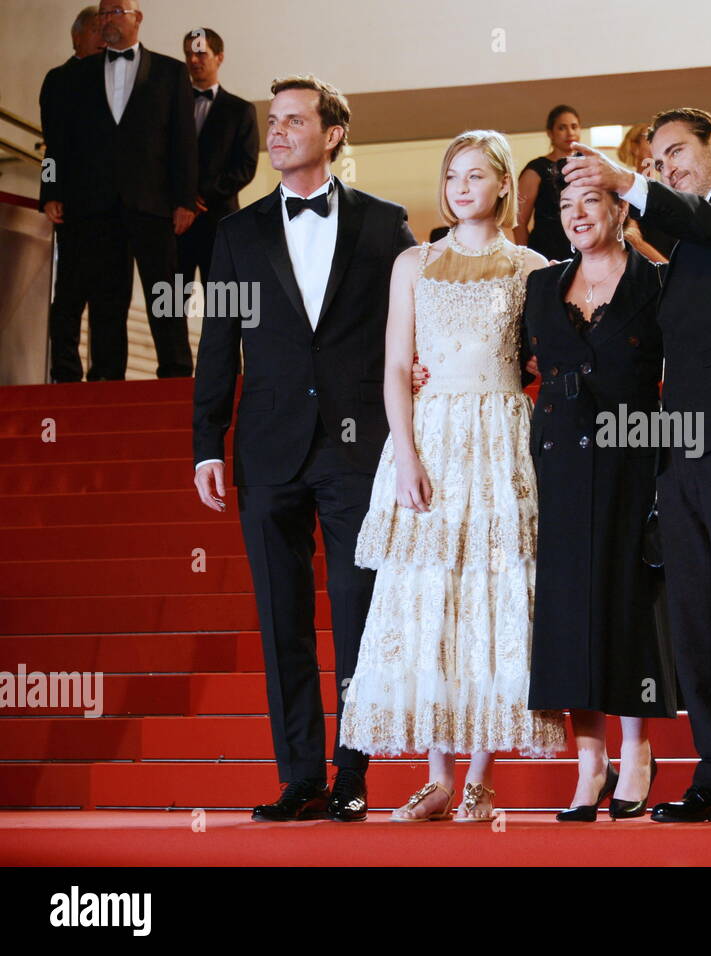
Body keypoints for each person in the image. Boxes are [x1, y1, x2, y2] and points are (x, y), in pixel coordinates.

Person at [563, 107, 711, 825]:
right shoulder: (686, 243)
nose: (667, 166)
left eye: (676, 152)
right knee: (697, 619)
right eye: (657, 159)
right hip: (684, 445)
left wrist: (626, 179)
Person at [192, 74, 417, 823]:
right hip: (267, 451)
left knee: (358, 619)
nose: (276, 131)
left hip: (360, 452)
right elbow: (218, 347)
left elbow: (417, 319)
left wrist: (424, 373)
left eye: (293, 120)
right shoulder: (237, 233)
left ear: (334, 134)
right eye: (271, 120)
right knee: (280, 618)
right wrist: (206, 445)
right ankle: (299, 777)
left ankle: (352, 777)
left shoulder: (386, 226)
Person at [338, 130, 566, 822]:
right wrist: (405, 453)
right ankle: (437, 778)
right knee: (429, 595)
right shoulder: (414, 262)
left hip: (500, 438)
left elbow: (549, 360)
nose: (462, 187)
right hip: (430, 439)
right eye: (452, 176)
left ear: (503, 185)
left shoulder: (534, 266)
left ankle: (479, 777)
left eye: (476, 176)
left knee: (496, 597)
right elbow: (393, 367)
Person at [523, 159, 673, 821]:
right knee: (567, 614)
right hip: (555, 465)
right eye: (565, 207)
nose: (578, 215)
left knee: (630, 604)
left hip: (633, 460)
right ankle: (590, 763)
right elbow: (513, 365)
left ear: (619, 208)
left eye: (591, 201)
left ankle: (637, 753)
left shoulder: (657, 283)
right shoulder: (540, 285)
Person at [42, 0, 198, 380]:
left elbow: (184, 142)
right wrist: (50, 191)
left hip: (153, 203)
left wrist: (184, 199)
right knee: (106, 300)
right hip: (96, 205)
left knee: (164, 294)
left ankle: (176, 373)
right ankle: (106, 377)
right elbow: (58, 143)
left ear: (137, 18)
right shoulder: (75, 77)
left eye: (116, 12)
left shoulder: (170, 72)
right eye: (103, 13)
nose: (107, 19)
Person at [40, 6, 104, 383]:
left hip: (112, 207)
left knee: (107, 298)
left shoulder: (113, 76)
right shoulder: (59, 79)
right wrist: (50, 191)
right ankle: (65, 372)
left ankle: (104, 375)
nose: (103, 35)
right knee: (68, 295)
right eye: (96, 28)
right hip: (75, 207)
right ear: (77, 36)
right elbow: (52, 146)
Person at [177, 27, 258, 317]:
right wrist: (182, 198)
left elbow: (246, 167)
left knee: (223, 310)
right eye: (188, 53)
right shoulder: (168, 106)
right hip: (176, 224)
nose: (193, 59)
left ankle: (225, 365)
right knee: (171, 308)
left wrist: (200, 196)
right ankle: (177, 365)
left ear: (219, 57)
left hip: (218, 224)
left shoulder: (240, 110)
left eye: (200, 52)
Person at [515, 104, 581, 261]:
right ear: (550, 133)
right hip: (546, 249)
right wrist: (523, 259)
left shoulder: (588, 163)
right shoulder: (536, 169)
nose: (570, 133)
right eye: (562, 128)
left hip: (582, 245)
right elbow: (519, 220)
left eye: (574, 126)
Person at [615, 123, 670, 263]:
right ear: (634, 147)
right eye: (649, 137)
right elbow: (633, 239)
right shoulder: (622, 192)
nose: (656, 143)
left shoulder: (670, 188)